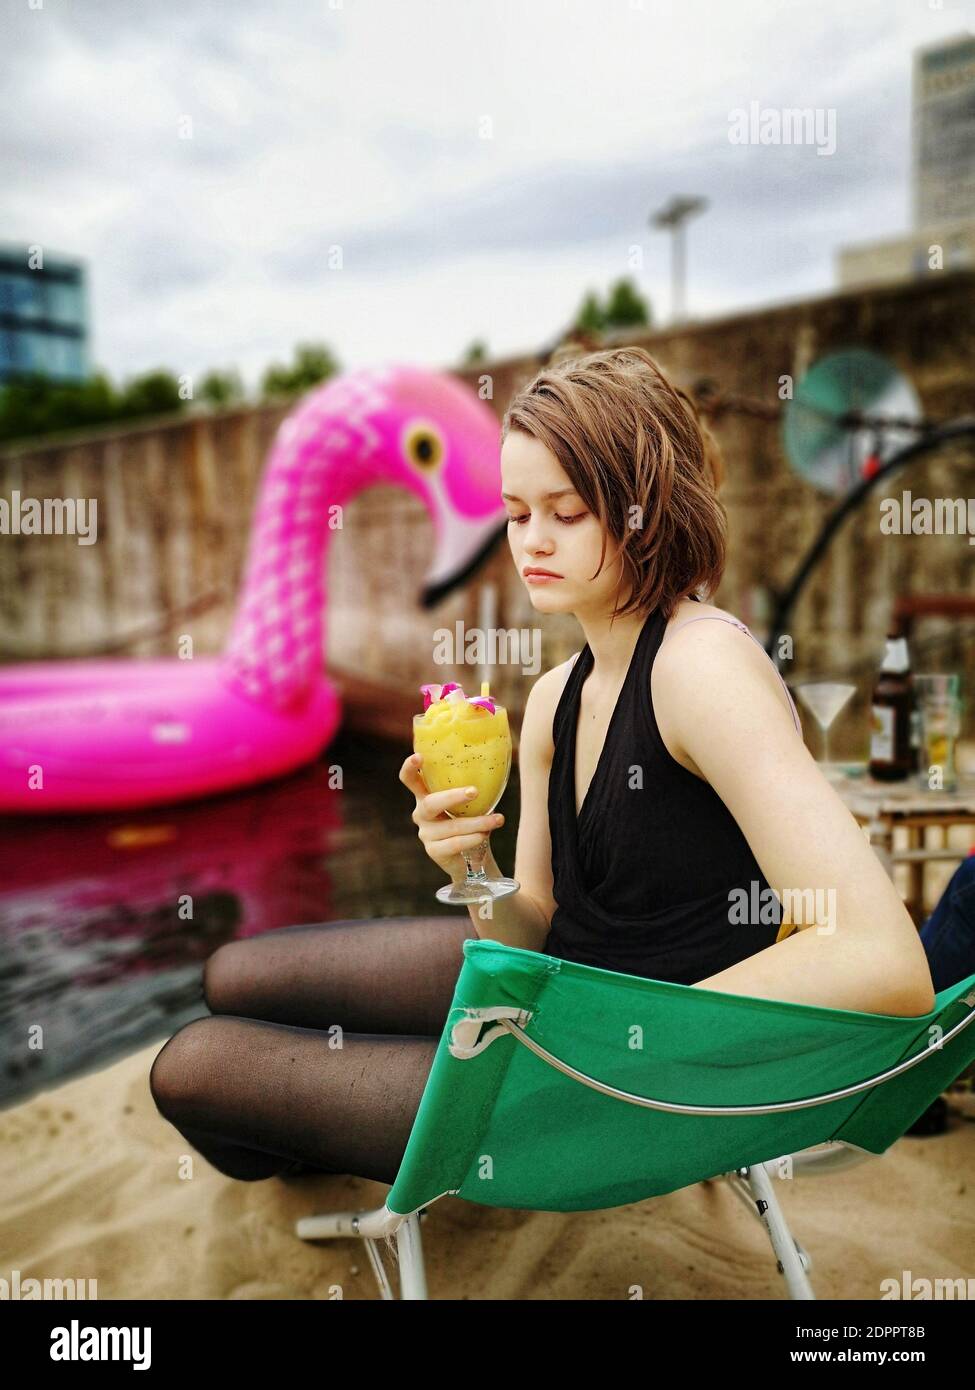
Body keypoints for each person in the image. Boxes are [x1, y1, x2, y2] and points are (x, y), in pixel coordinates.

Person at [150, 346, 960, 1185]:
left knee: (194, 1065)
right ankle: (332, 1138)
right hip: (560, 1000)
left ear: (648, 511)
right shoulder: (553, 697)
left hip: (621, 1081)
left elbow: (880, 960)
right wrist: (468, 859)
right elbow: (534, 925)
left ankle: (344, 1141)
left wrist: (619, 1035)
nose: (530, 541)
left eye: (565, 512)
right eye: (515, 512)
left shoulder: (700, 670)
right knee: (232, 973)